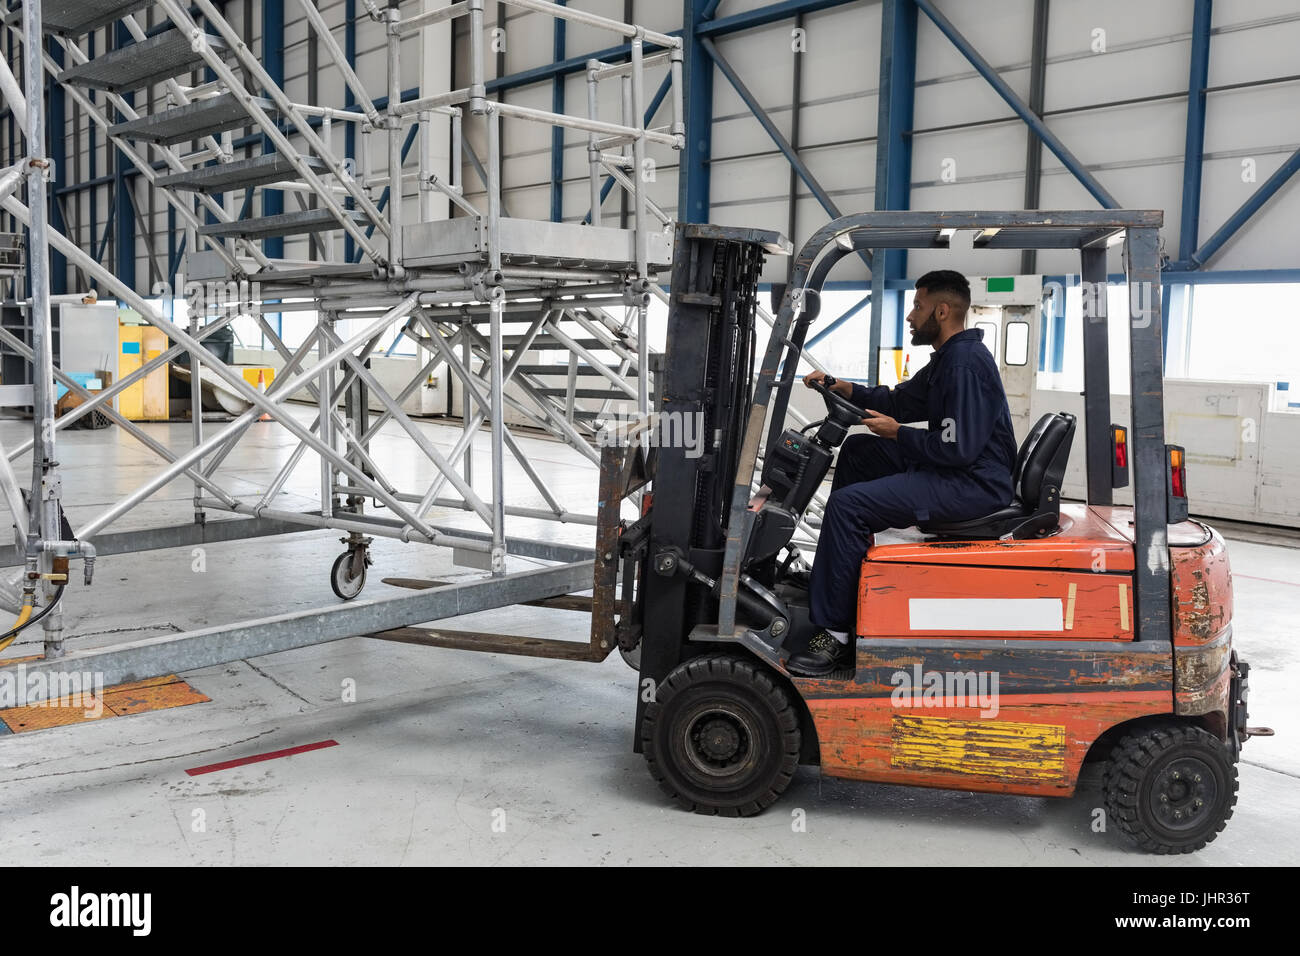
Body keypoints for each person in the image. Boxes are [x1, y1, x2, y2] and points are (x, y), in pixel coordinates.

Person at [785, 270, 1018, 677]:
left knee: (847, 506)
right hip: (961, 471)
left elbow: (958, 449)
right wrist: (845, 388)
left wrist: (899, 433)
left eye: (917, 306)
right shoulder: (950, 358)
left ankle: (835, 634)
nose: (911, 316)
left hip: (974, 484)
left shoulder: (964, 364)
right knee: (858, 451)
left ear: (941, 311)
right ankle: (841, 576)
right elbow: (900, 401)